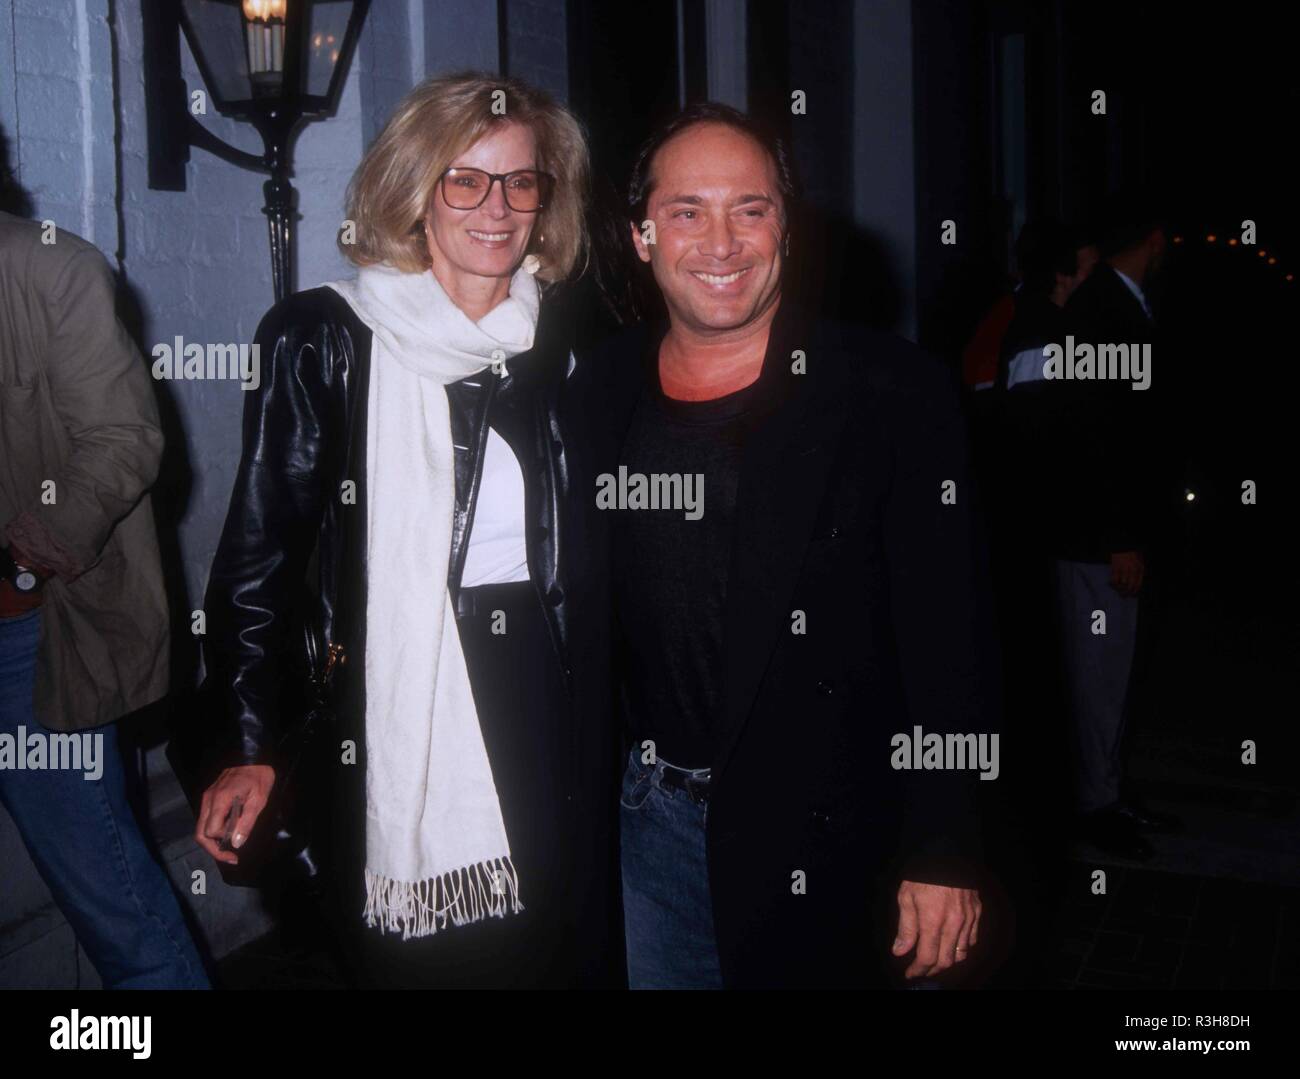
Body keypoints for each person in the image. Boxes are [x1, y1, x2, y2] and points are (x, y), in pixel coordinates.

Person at [193, 72, 621, 989]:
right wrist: (248, 744)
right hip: (390, 699)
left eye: (520, 180)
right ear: (414, 193)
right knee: (422, 962)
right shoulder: (324, 337)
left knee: (548, 950)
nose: (496, 207)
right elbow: (258, 557)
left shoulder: (570, 343)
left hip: (547, 690)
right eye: (464, 179)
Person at [587, 104, 998, 989]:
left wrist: (946, 846)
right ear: (642, 234)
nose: (722, 242)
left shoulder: (891, 391)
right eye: (688, 210)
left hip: (833, 829)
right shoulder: (596, 388)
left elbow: (952, 636)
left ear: (789, 228)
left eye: (753, 208)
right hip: (647, 826)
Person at [0, 210, 209, 989]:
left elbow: (125, 437)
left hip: (30, 642)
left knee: (113, 906)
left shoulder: (53, 268)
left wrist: (19, 568)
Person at [1053, 193, 1179, 857]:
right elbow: (1093, 433)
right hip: (1099, 538)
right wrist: (1119, 535)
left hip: (1109, 532)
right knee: (1099, 672)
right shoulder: (1102, 308)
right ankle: (1095, 804)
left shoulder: (1113, 302)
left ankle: (1107, 791)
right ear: (1154, 238)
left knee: (1113, 671)